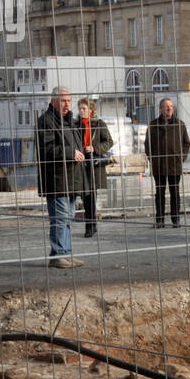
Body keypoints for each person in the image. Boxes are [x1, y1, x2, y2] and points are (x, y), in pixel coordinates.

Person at [35, 86, 86, 268]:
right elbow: (47, 150)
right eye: (64, 101)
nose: (67, 104)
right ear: (54, 101)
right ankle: (58, 255)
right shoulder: (46, 121)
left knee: (68, 217)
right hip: (56, 179)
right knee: (60, 217)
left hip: (71, 178)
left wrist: (78, 153)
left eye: (69, 101)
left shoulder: (69, 121)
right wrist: (71, 152)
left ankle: (66, 252)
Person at [145, 96, 190, 228]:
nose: (169, 109)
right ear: (161, 109)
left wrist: (180, 157)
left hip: (174, 165)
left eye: (171, 106)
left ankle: (175, 219)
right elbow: (147, 144)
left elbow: (186, 143)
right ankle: (160, 220)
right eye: (166, 106)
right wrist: (152, 158)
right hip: (158, 165)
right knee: (159, 193)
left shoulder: (179, 124)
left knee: (174, 192)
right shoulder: (153, 125)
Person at [76, 98, 114, 238]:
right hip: (80, 165)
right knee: (84, 196)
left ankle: (90, 226)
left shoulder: (99, 124)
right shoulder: (76, 125)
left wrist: (95, 148)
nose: (81, 111)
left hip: (94, 165)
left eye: (84, 109)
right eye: (80, 108)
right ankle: (91, 224)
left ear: (91, 110)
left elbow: (109, 141)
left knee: (91, 195)